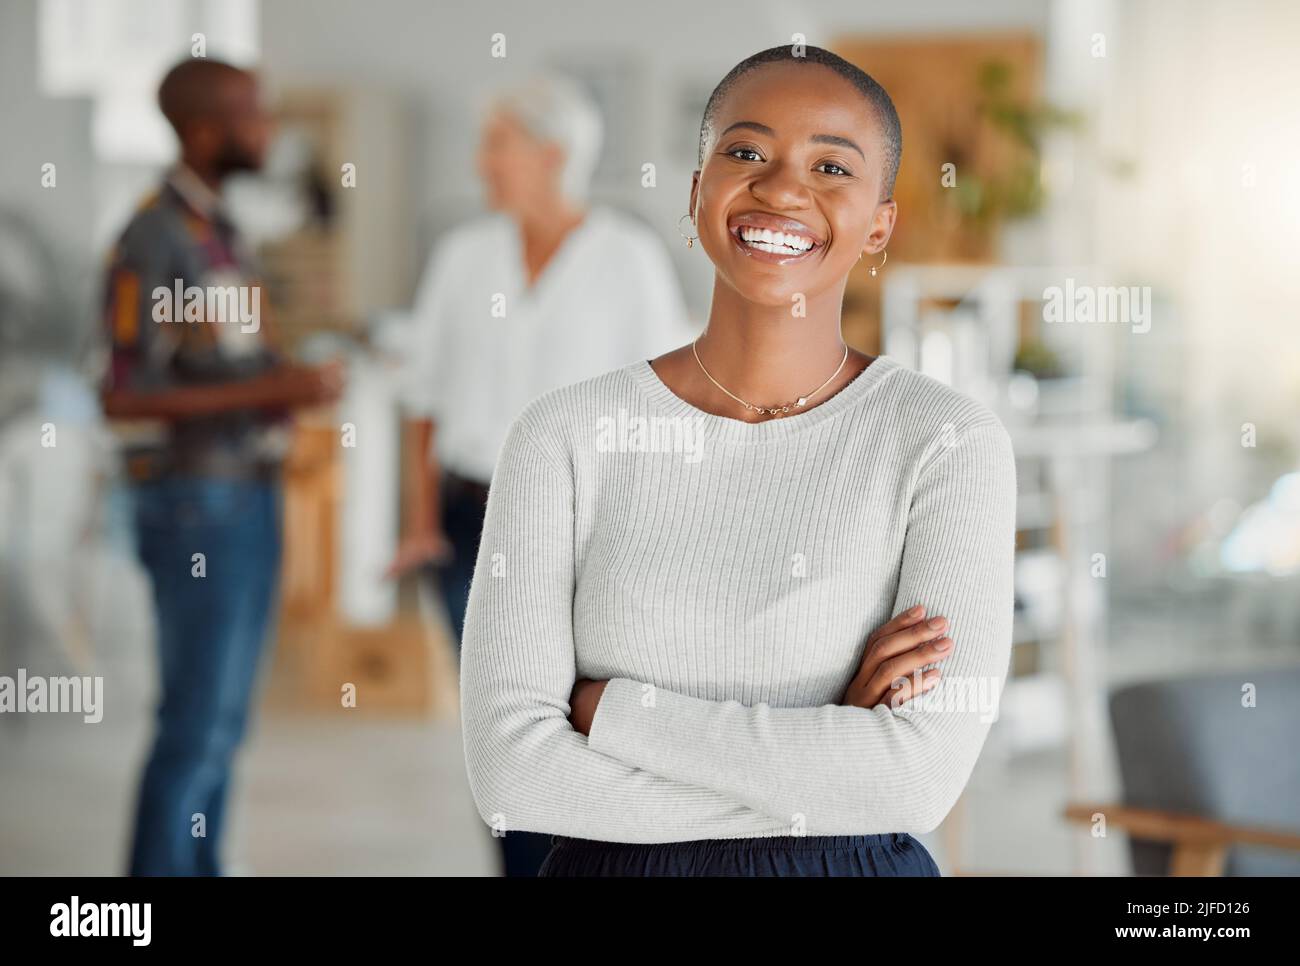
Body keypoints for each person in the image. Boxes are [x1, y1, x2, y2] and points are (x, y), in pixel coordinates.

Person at [459, 45, 1018, 877]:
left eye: (832, 166)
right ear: (697, 194)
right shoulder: (562, 437)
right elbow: (514, 776)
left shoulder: (946, 443)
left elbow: (916, 781)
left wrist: (613, 713)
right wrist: (827, 757)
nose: (784, 189)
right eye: (747, 152)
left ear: (879, 225)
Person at [387, 74, 692, 876]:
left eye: (497, 143)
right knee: (503, 734)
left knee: (582, 724)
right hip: (467, 520)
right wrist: (418, 522)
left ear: (552, 153)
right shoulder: (463, 256)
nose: (481, 161)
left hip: (586, 531)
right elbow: (421, 399)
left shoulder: (627, 259)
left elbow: (664, 406)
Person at [100, 57, 344, 876]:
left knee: (225, 725)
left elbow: (222, 361)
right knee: (196, 725)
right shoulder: (154, 235)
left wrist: (287, 380)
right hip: (195, 502)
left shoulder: (219, 231)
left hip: (246, 491)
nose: (267, 129)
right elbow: (124, 397)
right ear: (204, 130)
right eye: (251, 115)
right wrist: (280, 385)